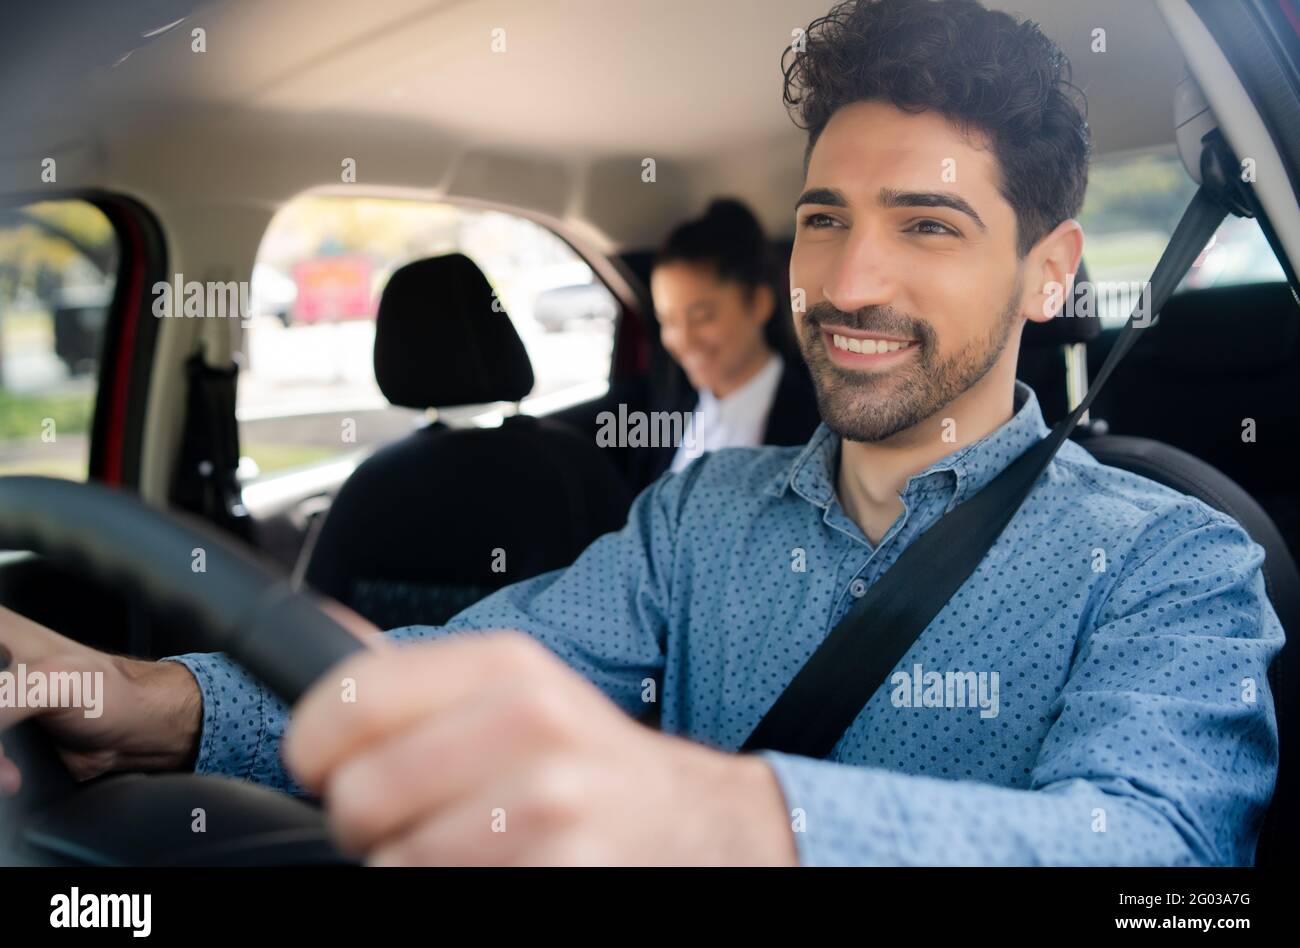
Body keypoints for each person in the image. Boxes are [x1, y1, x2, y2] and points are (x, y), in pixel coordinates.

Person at [0, 0, 1284, 866]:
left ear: (1051, 271)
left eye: (927, 225)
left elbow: (1152, 856)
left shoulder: (1180, 560)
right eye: (825, 218)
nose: (844, 284)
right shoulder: (700, 517)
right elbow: (455, 671)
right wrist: (142, 701)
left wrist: (723, 816)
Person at [633, 198, 820, 484]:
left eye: (702, 317)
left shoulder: (816, 422)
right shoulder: (670, 407)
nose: (683, 340)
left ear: (759, 303)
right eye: (668, 321)